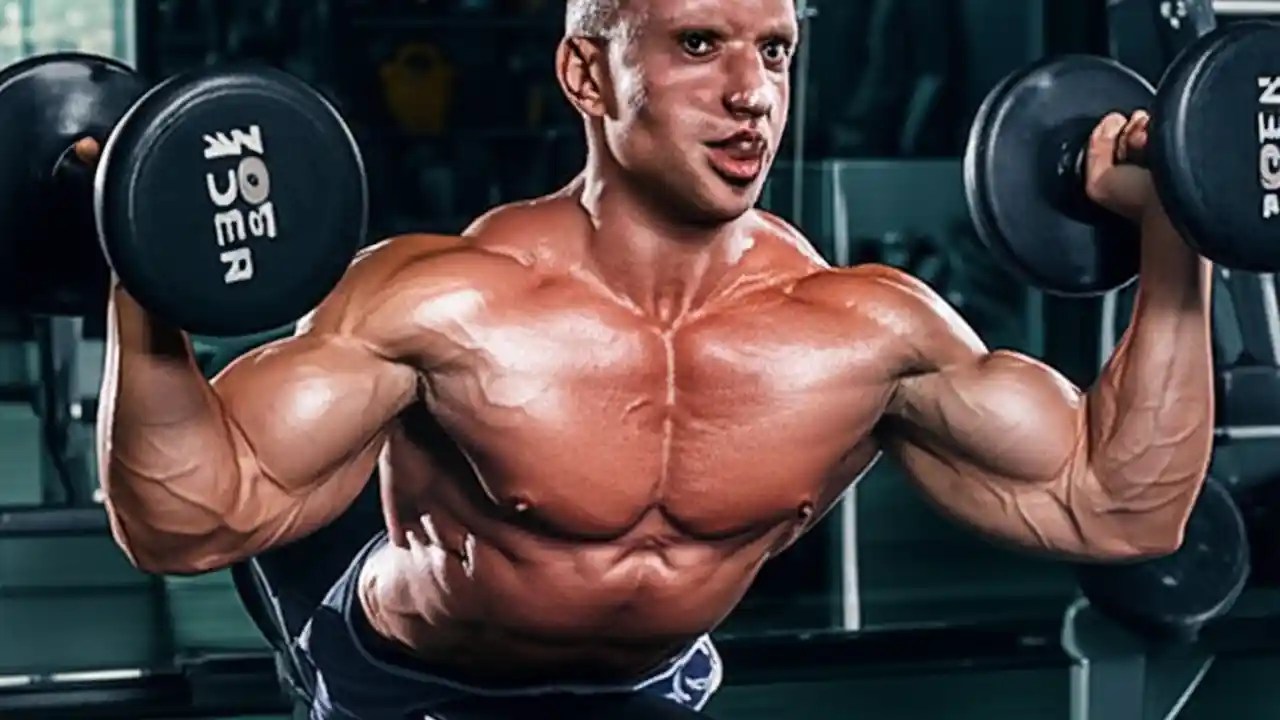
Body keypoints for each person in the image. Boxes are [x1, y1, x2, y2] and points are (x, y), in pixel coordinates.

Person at [93, 0, 1214, 717]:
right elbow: (188, 521)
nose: (751, 93)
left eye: (774, 49)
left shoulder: (867, 332)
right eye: (696, 45)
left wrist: (1178, 223)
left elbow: (1116, 509)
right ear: (586, 76)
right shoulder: (446, 303)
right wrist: (144, 257)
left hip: (649, 685)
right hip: (402, 674)